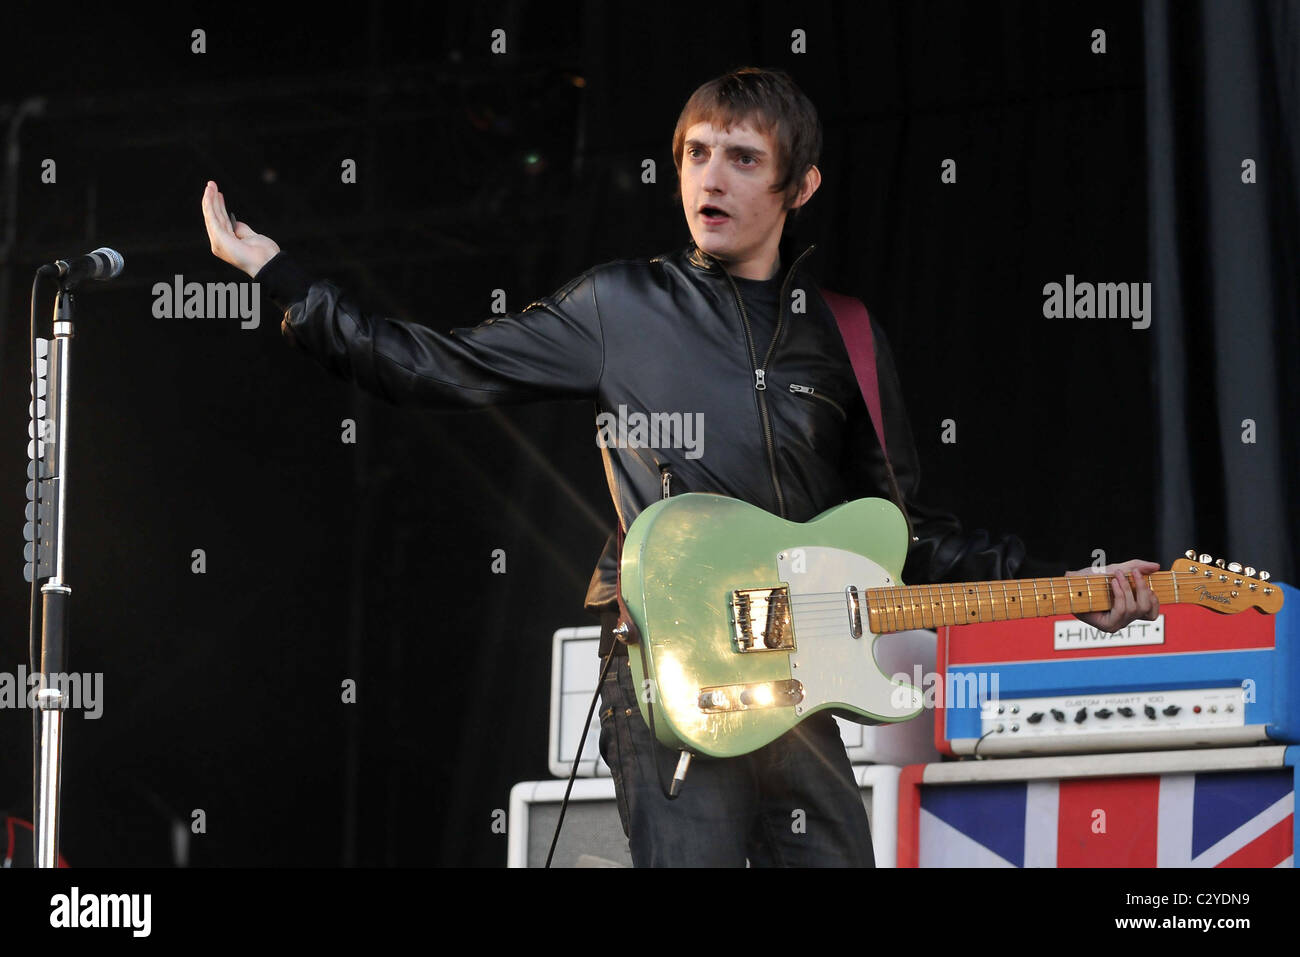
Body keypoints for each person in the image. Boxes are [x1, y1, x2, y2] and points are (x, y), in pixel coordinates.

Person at [201, 67, 1159, 867]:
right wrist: (282, 278)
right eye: (697, 153)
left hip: (798, 691)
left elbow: (906, 536)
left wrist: (1068, 587)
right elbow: (430, 364)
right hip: (670, 677)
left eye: (743, 158)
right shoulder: (620, 306)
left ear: (800, 187)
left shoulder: (847, 336)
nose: (712, 177)